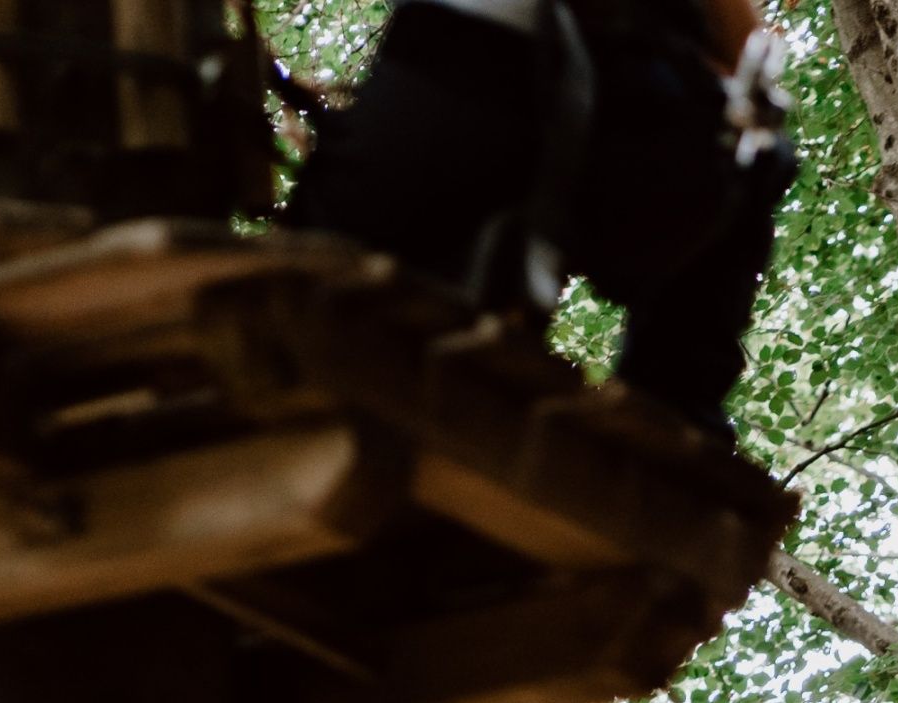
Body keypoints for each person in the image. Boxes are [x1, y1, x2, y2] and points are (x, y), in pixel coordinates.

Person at [277, 0, 793, 437]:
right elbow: (741, 54)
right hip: (518, 109)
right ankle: (672, 421)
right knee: (761, 154)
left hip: (403, 129)